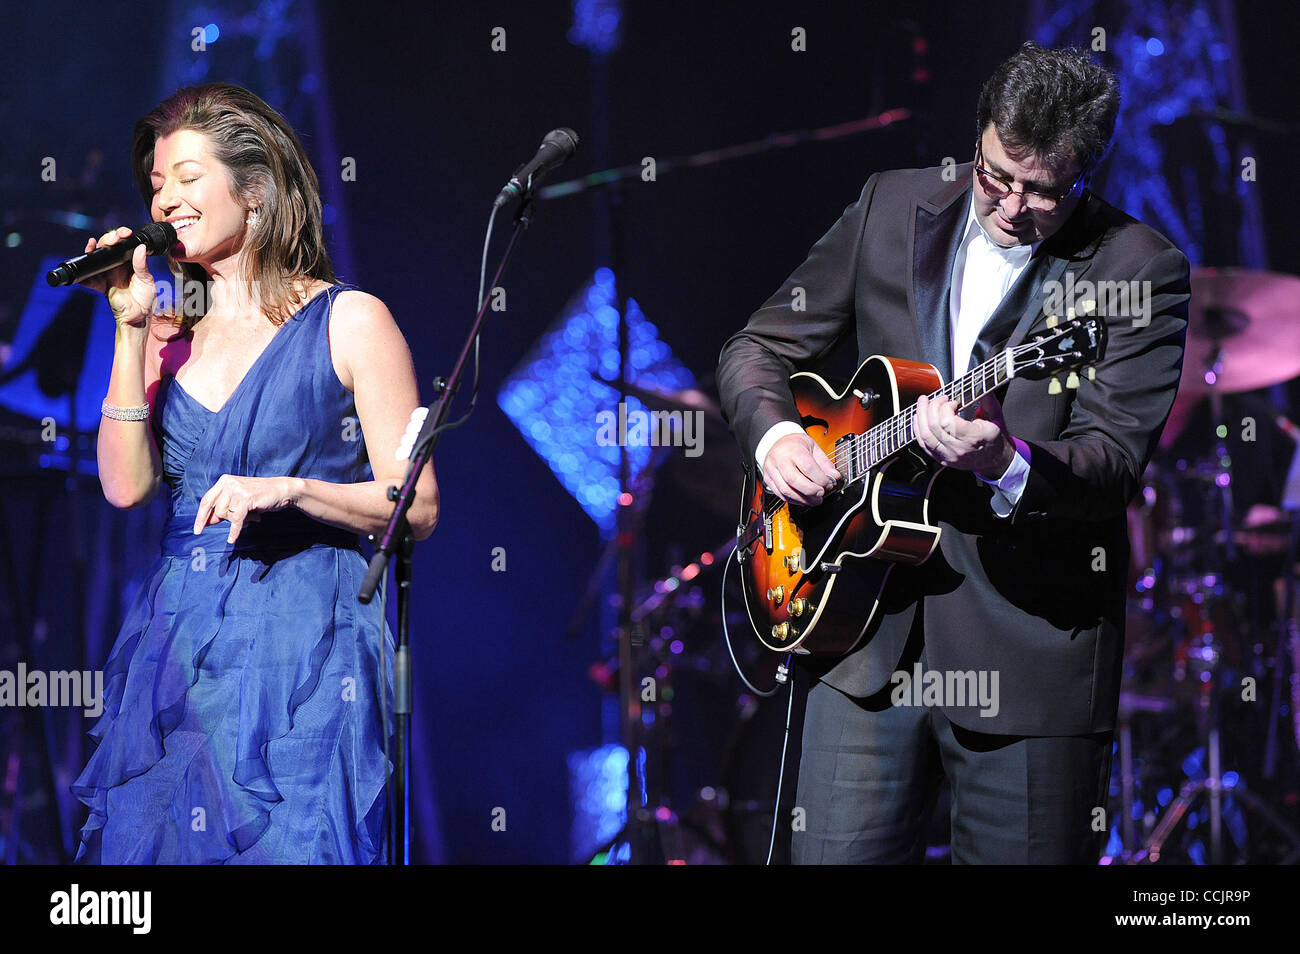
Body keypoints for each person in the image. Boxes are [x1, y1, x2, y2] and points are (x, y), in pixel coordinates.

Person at [717, 43, 1189, 863]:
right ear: (980, 136)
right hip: (858, 638)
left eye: (1043, 191)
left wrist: (1004, 462)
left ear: (1087, 175)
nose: (1010, 205)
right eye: (995, 174)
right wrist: (777, 434)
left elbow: (1111, 464)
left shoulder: (1137, 270)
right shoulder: (890, 205)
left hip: (1030, 662)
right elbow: (756, 347)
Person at [70, 83, 438, 864]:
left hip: (308, 648)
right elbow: (125, 488)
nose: (165, 199)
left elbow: (417, 505)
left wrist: (295, 489)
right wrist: (130, 333)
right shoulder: (169, 336)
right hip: (181, 646)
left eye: (188, 177)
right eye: (158, 184)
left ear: (259, 191)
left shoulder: (349, 320)